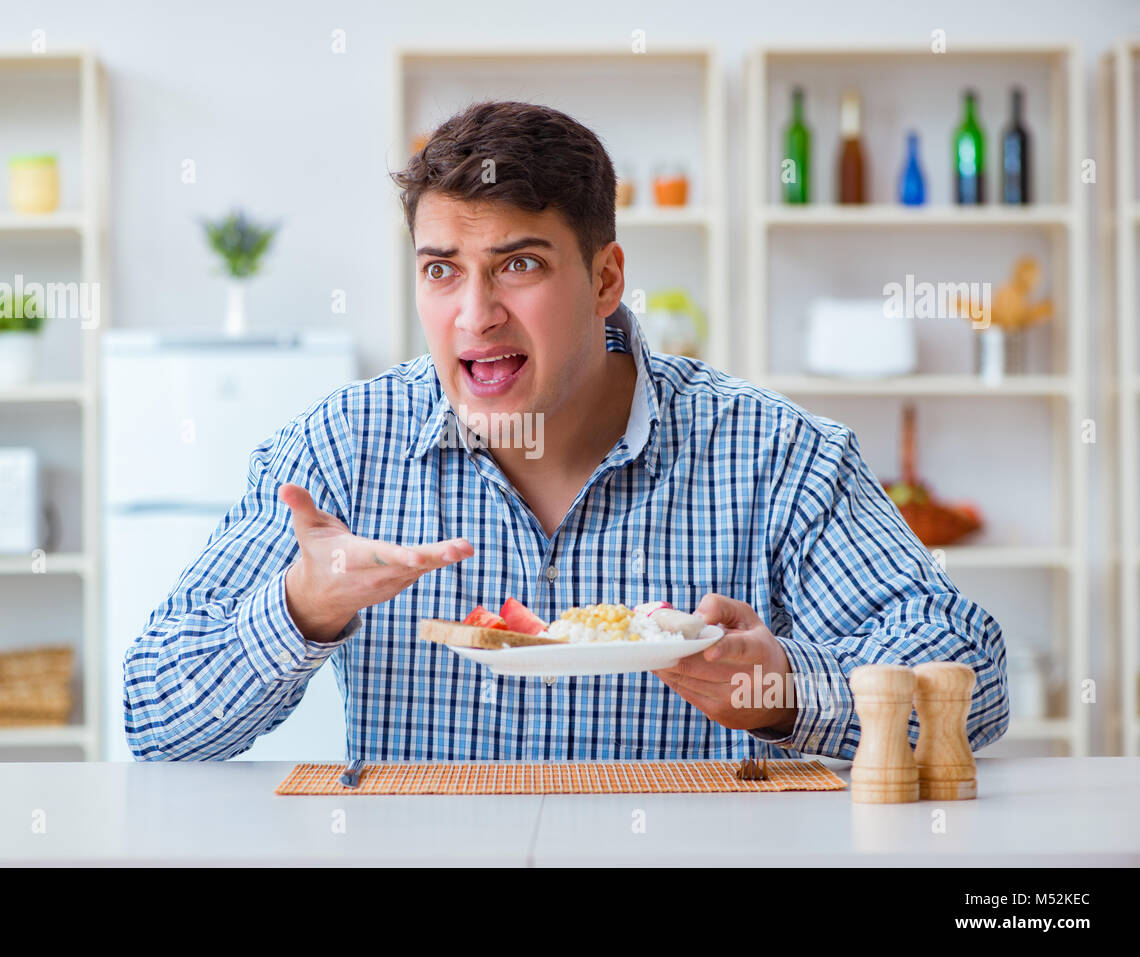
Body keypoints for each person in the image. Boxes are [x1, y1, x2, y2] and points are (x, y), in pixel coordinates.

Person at [124, 100, 1008, 761]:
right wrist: (299, 610)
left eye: (518, 264)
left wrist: (783, 691)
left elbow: (978, 686)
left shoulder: (776, 455)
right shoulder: (341, 450)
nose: (475, 315)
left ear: (605, 278)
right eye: (442, 271)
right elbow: (153, 716)